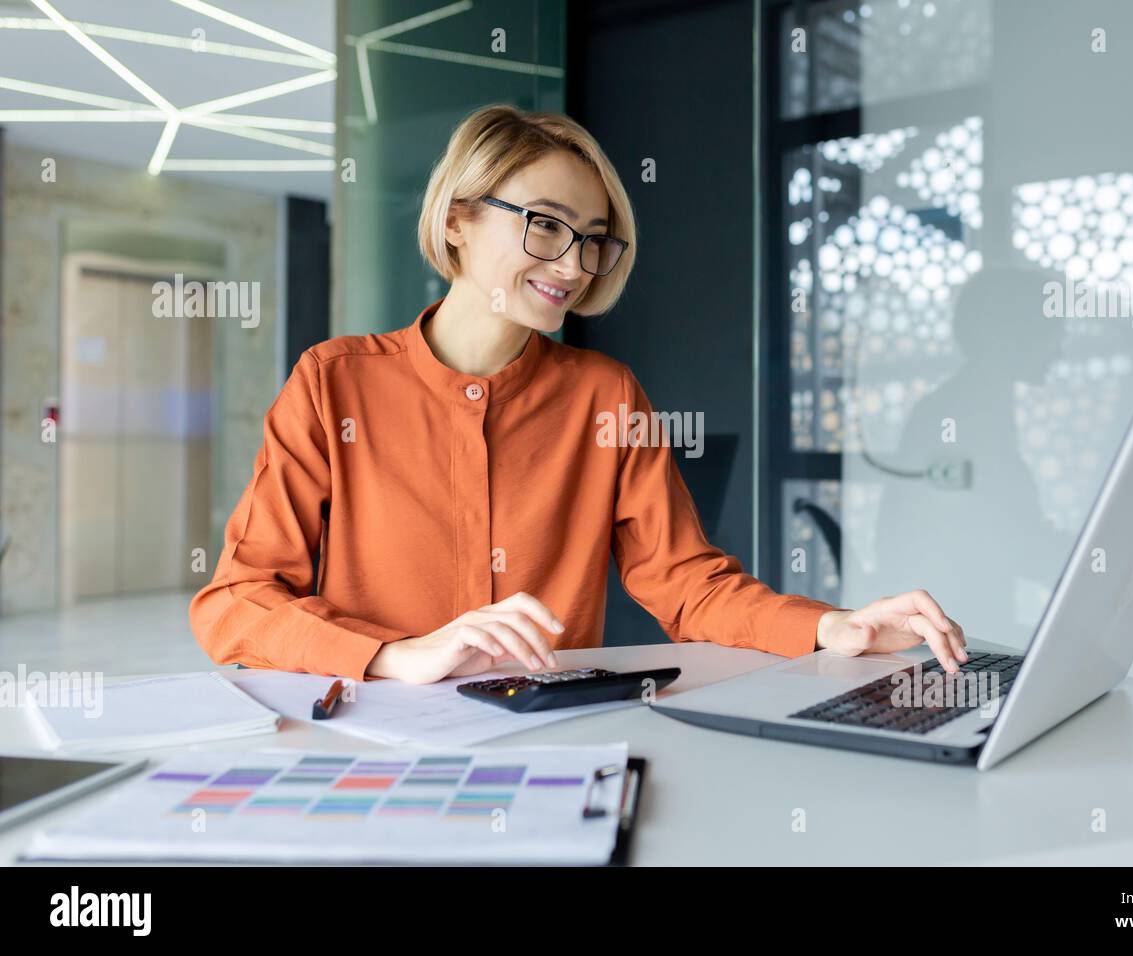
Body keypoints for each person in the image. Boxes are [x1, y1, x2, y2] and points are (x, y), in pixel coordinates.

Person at [189, 104, 967, 685]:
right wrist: (396, 655)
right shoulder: (334, 384)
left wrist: (832, 626)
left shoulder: (605, 397)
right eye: (545, 225)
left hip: (547, 741)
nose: (573, 262)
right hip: (374, 740)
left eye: (592, 236)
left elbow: (689, 585)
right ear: (457, 219)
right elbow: (235, 602)